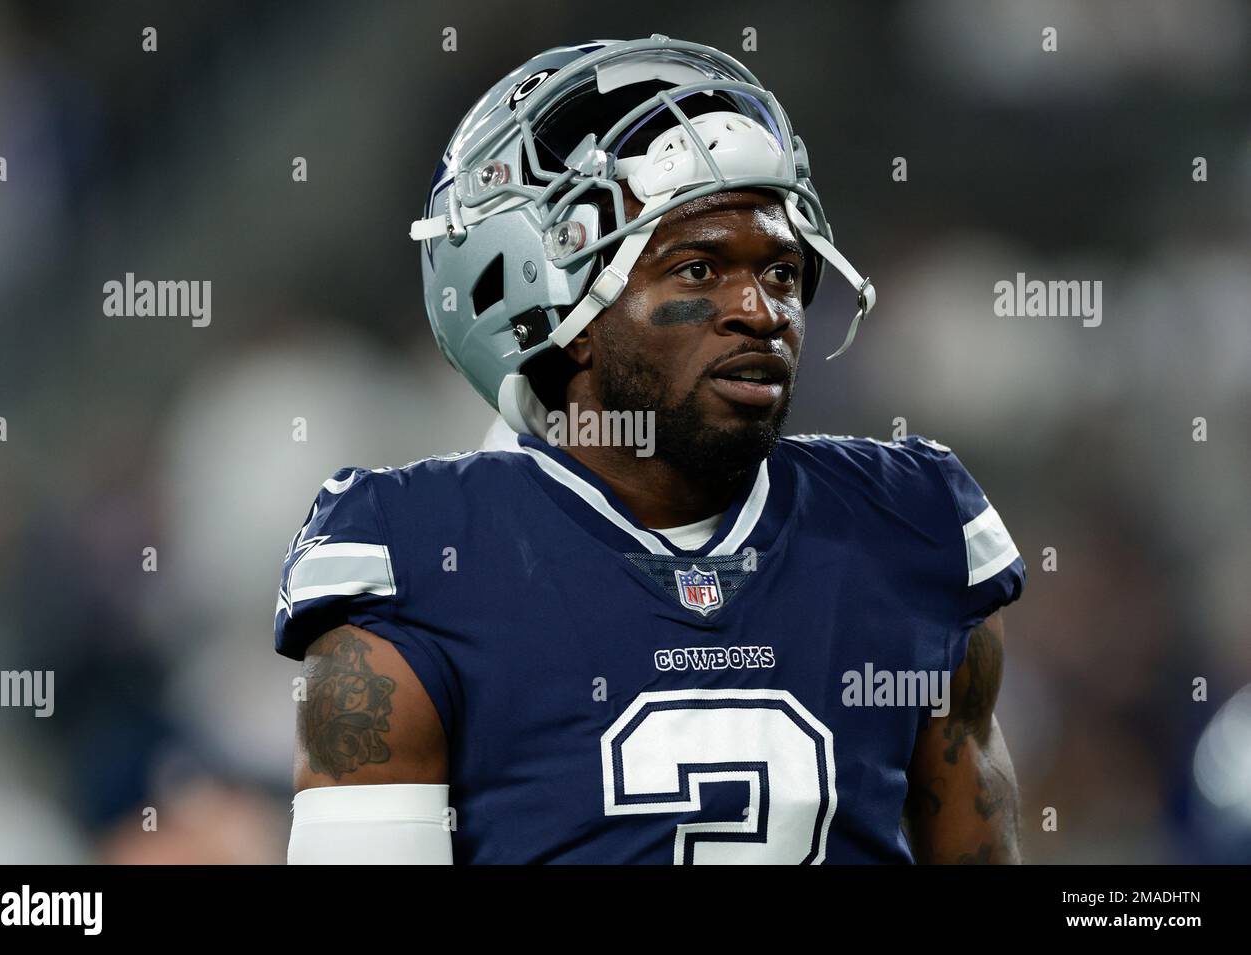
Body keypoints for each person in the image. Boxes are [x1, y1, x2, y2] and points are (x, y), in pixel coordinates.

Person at [276, 35, 1025, 864]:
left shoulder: (908, 526)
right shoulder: (423, 560)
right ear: (561, 311)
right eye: (699, 269)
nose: (759, 309)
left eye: (780, 271)